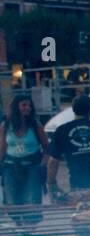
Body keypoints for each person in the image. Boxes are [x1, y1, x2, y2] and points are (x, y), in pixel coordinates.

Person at [46, 94, 90, 195]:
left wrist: (51, 183)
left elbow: (52, 162)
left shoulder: (62, 130)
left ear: (73, 110)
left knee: (83, 209)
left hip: (78, 184)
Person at [0, 93, 49, 222]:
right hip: (10, 167)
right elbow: (2, 148)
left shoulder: (35, 125)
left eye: (29, 105)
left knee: (32, 200)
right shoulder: (6, 126)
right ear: (16, 107)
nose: (27, 108)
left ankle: (31, 230)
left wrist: (43, 164)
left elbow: (47, 147)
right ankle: (20, 228)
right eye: (24, 105)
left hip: (32, 166)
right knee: (12, 200)